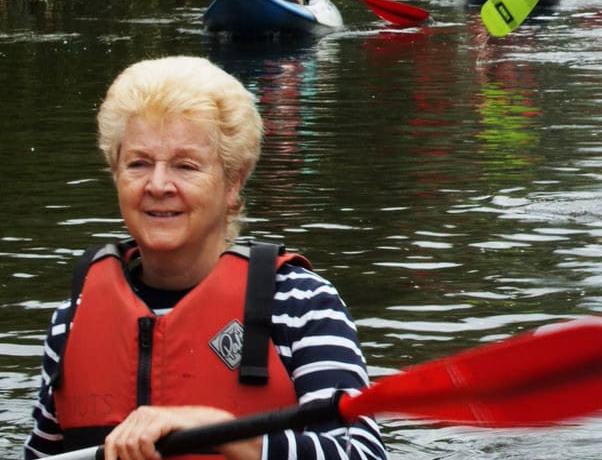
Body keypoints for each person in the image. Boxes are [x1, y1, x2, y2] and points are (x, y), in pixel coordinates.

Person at [24, 57, 385, 460]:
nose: (158, 185)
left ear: (232, 183)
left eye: (186, 166)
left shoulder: (300, 304)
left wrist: (216, 431)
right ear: (116, 175)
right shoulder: (71, 320)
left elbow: (363, 454)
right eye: (139, 164)